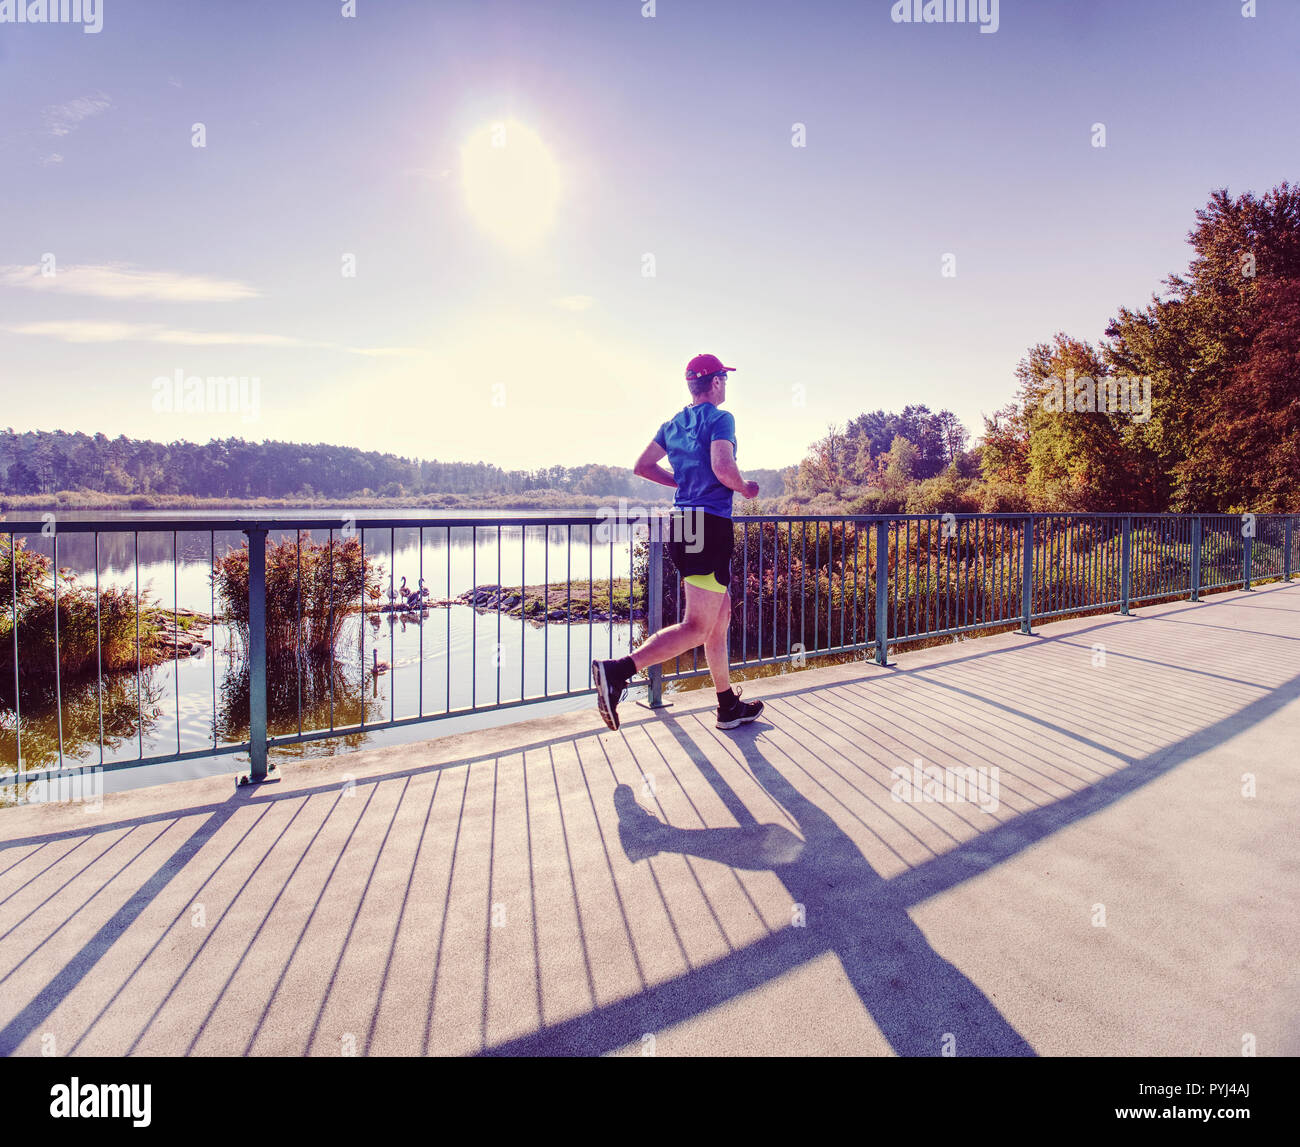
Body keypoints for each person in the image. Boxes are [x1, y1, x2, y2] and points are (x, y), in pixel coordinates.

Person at [592, 353, 766, 732]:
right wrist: (746, 487)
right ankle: (617, 671)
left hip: (682, 525)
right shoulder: (721, 419)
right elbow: (723, 468)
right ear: (717, 382)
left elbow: (642, 466)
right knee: (697, 626)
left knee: (718, 621)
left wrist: (682, 483)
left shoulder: (672, 423)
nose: (726, 386)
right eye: (725, 379)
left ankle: (727, 706)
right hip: (709, 526)